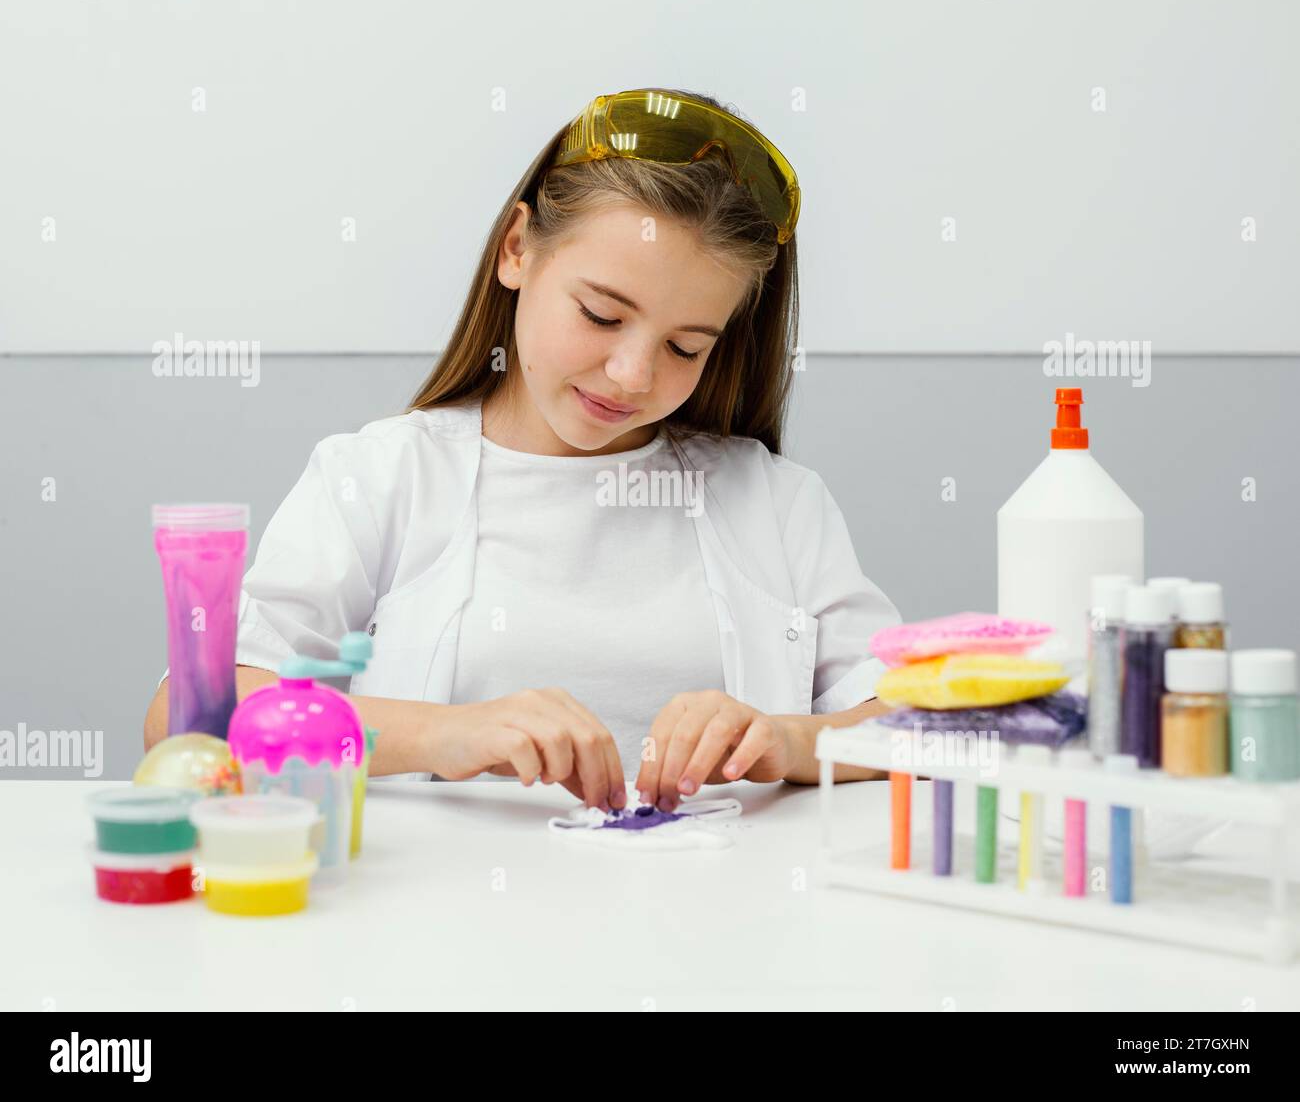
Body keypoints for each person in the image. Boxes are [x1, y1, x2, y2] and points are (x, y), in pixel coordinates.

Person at [144, 88, 902, 812]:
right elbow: (188, 720)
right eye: (602, 315)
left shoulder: (774, 502)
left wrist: (789, 740)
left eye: (685, 345)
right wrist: (445, 734)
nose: (633, 375)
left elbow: (919, 723)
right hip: (433, 930)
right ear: (517, 249)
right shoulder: (381, 479)